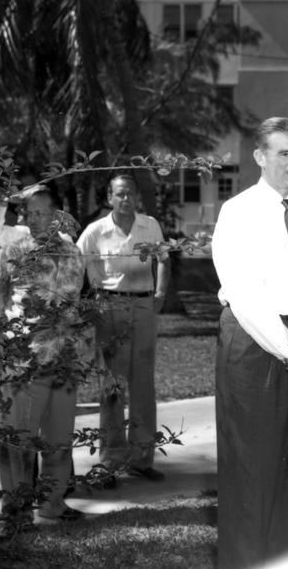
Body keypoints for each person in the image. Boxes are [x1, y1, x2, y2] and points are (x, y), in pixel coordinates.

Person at [212, 117, 288, 568]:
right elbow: (245, 296)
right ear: (260, 157)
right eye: (284, 153)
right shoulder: (239, 211)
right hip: (256, 343)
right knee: (252, 475)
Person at [0, 188, 86, 529]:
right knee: (18, 441)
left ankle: (52, 505)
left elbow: (75, 302)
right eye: (31, 213)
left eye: (44, 213)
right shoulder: (12, 251)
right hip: (23, 364)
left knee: (58, 440)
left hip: (63, 361)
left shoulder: (73, 252)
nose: (36, 219)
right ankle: (16, 513)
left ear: (57, 215)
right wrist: (11, 341)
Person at [76, 175, 170, 485]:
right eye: (120, 194)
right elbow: (78, 263)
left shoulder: (150, 225)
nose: (126, 198)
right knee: (112, 388)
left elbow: (163, 260)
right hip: (111, 310)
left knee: (143, 386)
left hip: (143, 307)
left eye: (131, 193)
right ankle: (111, 462)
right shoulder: (95, 231)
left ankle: (142, 459)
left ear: (137, 197)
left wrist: (160, 294)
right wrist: (93, 295)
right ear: (109, 198)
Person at [0, 186, 74, 247]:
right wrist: (3, 200)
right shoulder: (22, 233)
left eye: (23, 205)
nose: (17, 209)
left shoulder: (61, 236)